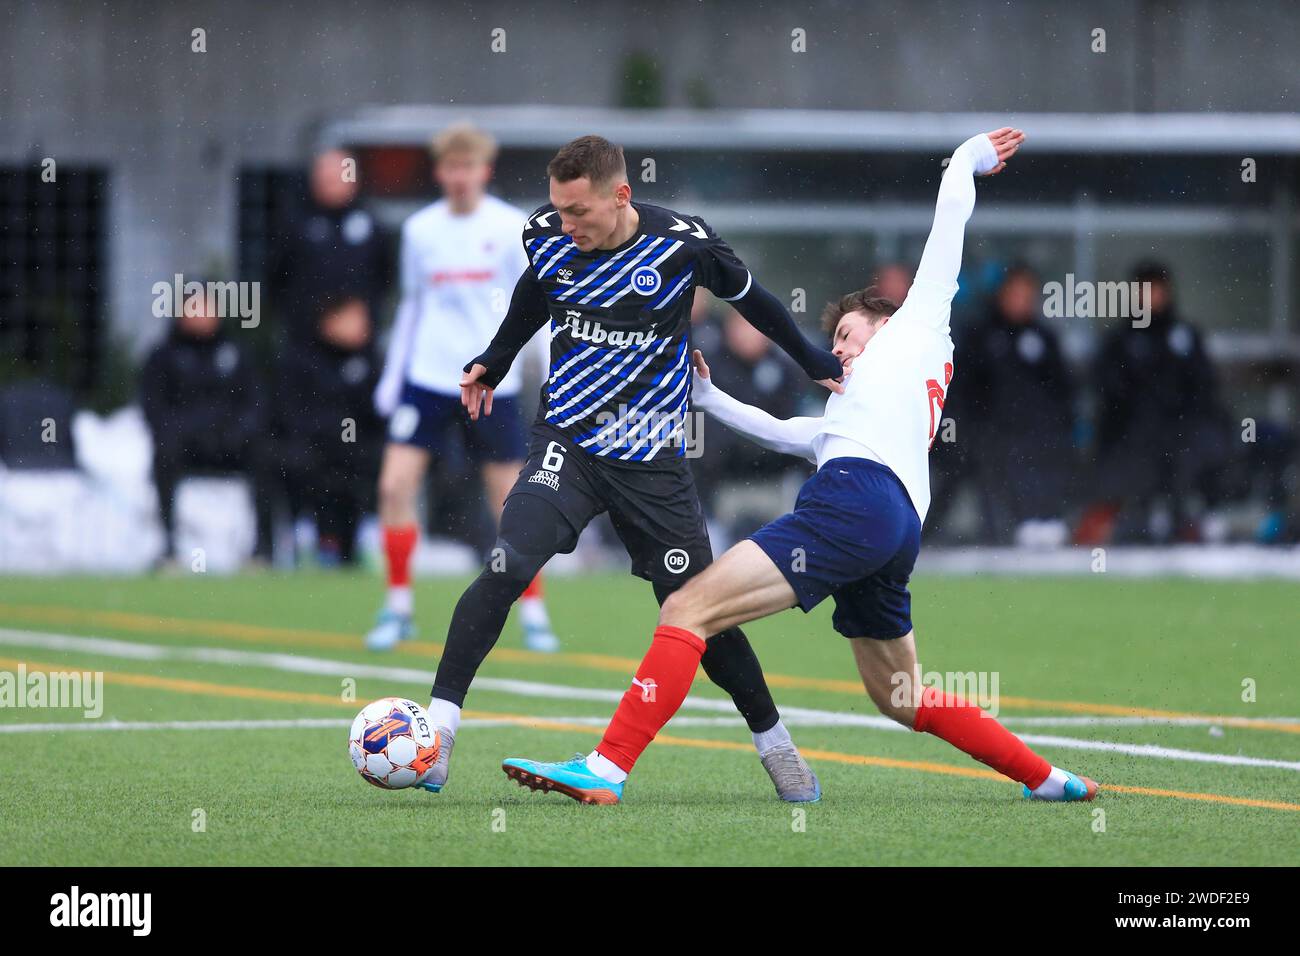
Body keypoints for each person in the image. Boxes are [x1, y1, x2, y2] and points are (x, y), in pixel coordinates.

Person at [502, 129, 1100, 806]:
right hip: (895, 522)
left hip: (853, 502)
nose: (838, 350)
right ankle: (1047, 778)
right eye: (834, 340)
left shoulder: (920, 324)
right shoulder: (867, 408)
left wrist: (969, 157)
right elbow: (792, 434)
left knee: (688, 606)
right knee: (900, 695)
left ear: (889, 322)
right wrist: (709, 397)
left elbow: (950, 219)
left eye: (849, 335)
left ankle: (605, 768)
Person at [418, 134, 846, 800]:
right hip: (570, 443)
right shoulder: (549, 234)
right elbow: (539, 287)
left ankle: (776, 745)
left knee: (698, 611)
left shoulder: (684, 244)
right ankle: (439, 734)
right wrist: (497, 357)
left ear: (620, 196)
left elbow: (755, 300)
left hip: (652, 462)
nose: (566, 226)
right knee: (507, 562)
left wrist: (815, 360)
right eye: (558, 210)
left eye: (579, 213)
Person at [366, 124, 557, 653]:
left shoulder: (512, 227)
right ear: (440, 172)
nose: (458, 177)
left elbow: (535, 306)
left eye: (467, 166)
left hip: (491, 381)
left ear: (483, 170)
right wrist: (392, 378)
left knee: (514, 499)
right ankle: (398, 605)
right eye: (449, 167)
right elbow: (412, 305)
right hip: (428, 378)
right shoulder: (420, 230)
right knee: (393, 488)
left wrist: (541, 372)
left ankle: (534, 611)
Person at [1085, 260, 1233, 543]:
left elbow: (1204, 386)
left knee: (1204, 441)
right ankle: (1143, 515)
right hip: (1133, 432)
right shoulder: (1120, 340)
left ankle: (1193, 517)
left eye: (1156, 290)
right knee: (1139, 449)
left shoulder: (1185, 336)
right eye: (1144, 290)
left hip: (1182, 429)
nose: (1150, 297)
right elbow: (1110, 390)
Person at [140, 284, 268, 564]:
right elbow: (155, 411)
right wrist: (188, 433)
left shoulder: (236, 354)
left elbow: (255, 404)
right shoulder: (163, 357)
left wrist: (236, 432)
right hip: (185, 446)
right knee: (164, 453)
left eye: (207, 307)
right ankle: (168, 548)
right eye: (194, 307)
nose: (201, 315)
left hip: (230, 445)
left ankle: (261, 550)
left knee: (266, 454)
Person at [954, 264, 1074, 544]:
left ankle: (1045, 520)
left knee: (1048, 454)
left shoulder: (1044, 338)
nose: (1020, 300)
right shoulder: (980, 336)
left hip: (1039, 433)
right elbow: (965, 388)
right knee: (999, 458)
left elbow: (1062, 390)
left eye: (1026, 294)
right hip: (991, 433)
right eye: (1015, 293)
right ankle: (1013, 527)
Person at [273, 294, 382, 564]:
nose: (361, 324)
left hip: (356, 451)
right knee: (306, 467)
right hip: (313, 449)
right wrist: (328, 435)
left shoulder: (370, 362)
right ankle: (310, 541)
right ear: (329, 321)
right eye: (353, 317)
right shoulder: (301, 361)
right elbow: (291, 413)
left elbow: (377, 414)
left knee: (367, 466)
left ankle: (357, 544)